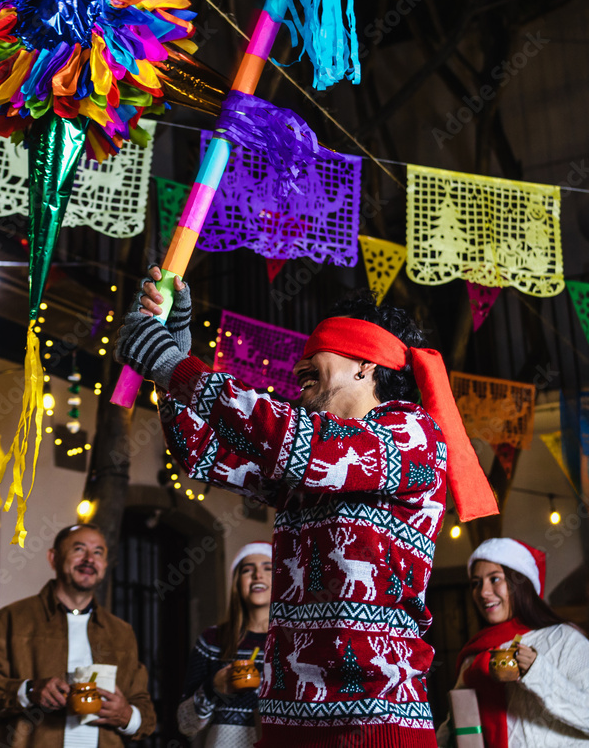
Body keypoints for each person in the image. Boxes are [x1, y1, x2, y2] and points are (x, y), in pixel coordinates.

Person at [116, 274, 498, 748]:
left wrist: (176, 365)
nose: (298, 369)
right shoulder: (309, 466)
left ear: (364, 363)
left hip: (373, 721)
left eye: (316, 357)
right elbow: (204, 452)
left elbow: (292, 440)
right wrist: (167, 366)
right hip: (286, 721)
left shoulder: (412, 434)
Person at [0, 522, 157, 747]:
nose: (89, 559)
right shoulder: (9, 620)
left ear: (105, 564)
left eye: (98, 552)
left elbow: (146, 715)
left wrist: (127, 715)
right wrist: (28, 690)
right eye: (78, 549)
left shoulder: (122, 632)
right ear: (53, 558)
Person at [436, 538, 589, 747]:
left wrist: (539, 673)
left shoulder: (563, 639)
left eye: (495, 579)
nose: (483, 592)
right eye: (476, 583)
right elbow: (456, 726)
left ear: (521, 584)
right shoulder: (473, 658)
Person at [178, 541, 273, 746]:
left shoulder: (297, 641)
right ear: (237, 582)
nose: (258, 575)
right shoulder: (213, 640)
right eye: (248, 570)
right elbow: (186, 725)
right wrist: (213, 688)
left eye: (268, 568)